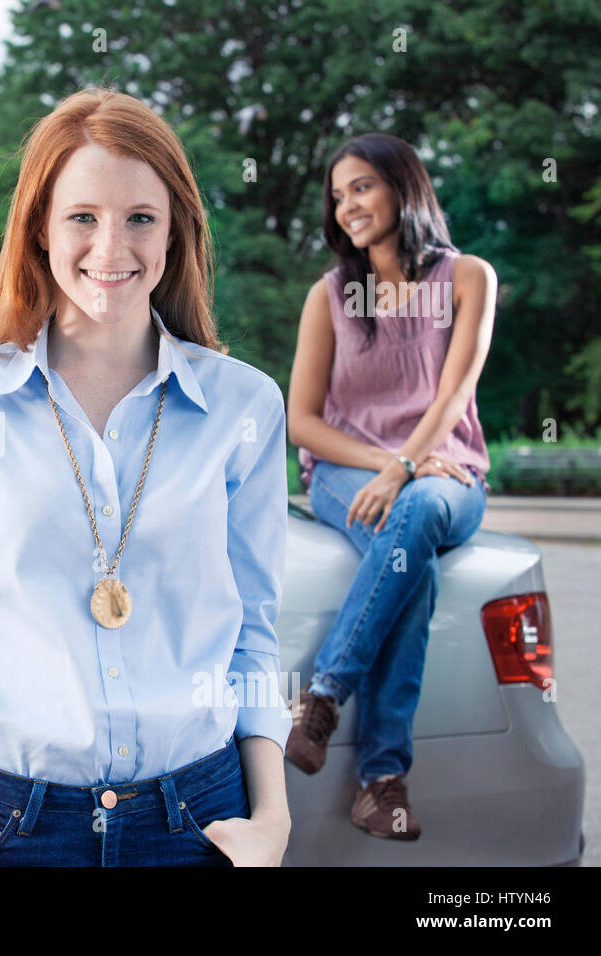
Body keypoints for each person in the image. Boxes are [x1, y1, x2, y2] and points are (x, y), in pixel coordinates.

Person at [0, 88, 292, 867]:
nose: (110, 246)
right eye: (83, 216)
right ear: (40, 229)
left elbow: (252, 629)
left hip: (203, 822)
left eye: (140, 218)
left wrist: (274, 820)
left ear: (177, 229)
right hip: (6, 825)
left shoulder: (245, 405)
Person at [286, 133, 496, 840]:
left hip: (446, 470)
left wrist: (408, 462)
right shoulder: (331, 295)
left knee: (419, 516)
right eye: (338, 195)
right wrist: (388, 461)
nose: (348, 206)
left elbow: (454, 391)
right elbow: (302, 422)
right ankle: (381, 781)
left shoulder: (468, 276)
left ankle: (323, 692)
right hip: (347, 473)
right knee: (416, 564)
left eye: (362, 187)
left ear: (404, 188)